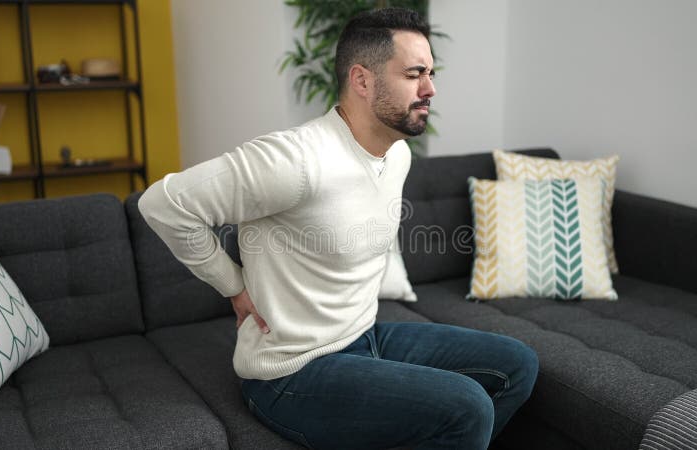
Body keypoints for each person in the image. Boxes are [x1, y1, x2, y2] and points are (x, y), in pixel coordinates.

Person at [139, 7, 538, 450]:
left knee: (517, 365)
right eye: (414, 74)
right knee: (468, 406)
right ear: (362, 81)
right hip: (291, 372)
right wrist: (231, 284)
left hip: (364, 338)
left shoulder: (397, 154)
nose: (431, 89)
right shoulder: (295, 160)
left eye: (431, 72)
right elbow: (163, 204)